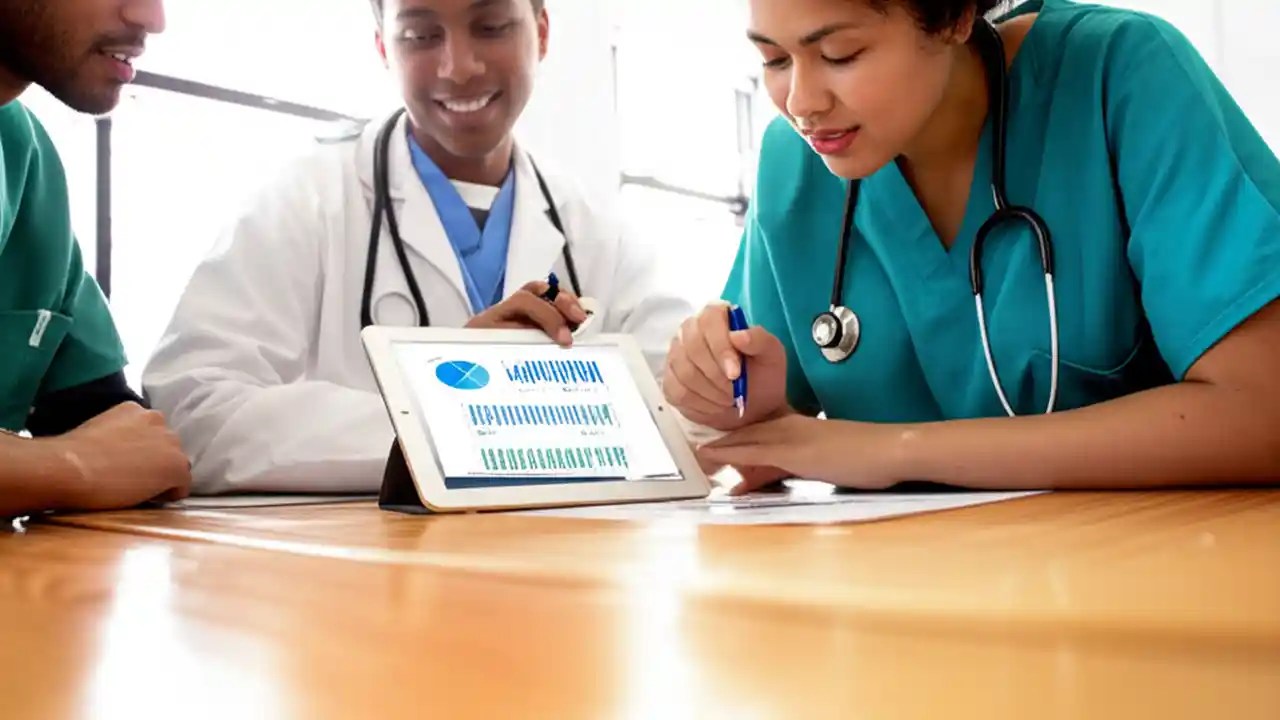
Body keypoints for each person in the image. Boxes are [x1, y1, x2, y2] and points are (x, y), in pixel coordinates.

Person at [665, 0, 1280, 493]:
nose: (802, 102)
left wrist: (894, 452)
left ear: (956, 15)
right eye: (774, 61)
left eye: (839, 53)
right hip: (908, 600)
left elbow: (1261, 412)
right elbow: (768, 438)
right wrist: (739, 398)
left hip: (1148, 578)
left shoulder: (1119, 76)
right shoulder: (797, 165)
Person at [142, 0, 691, 494]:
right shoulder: (305, 203)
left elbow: (689, 411)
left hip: (566, 572)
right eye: (421, 36)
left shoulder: (597, 229)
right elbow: (192, 412)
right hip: (362, 582)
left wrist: (733, 385)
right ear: (384, 46)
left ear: (542, 32)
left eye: (492, 25)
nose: (459, 66)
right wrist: (441, 413)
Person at [0, 0, 191, 517]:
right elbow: (99, 455)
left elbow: (129, 442)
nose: (151, 18)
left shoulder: (23, 153)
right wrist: (70, 467)